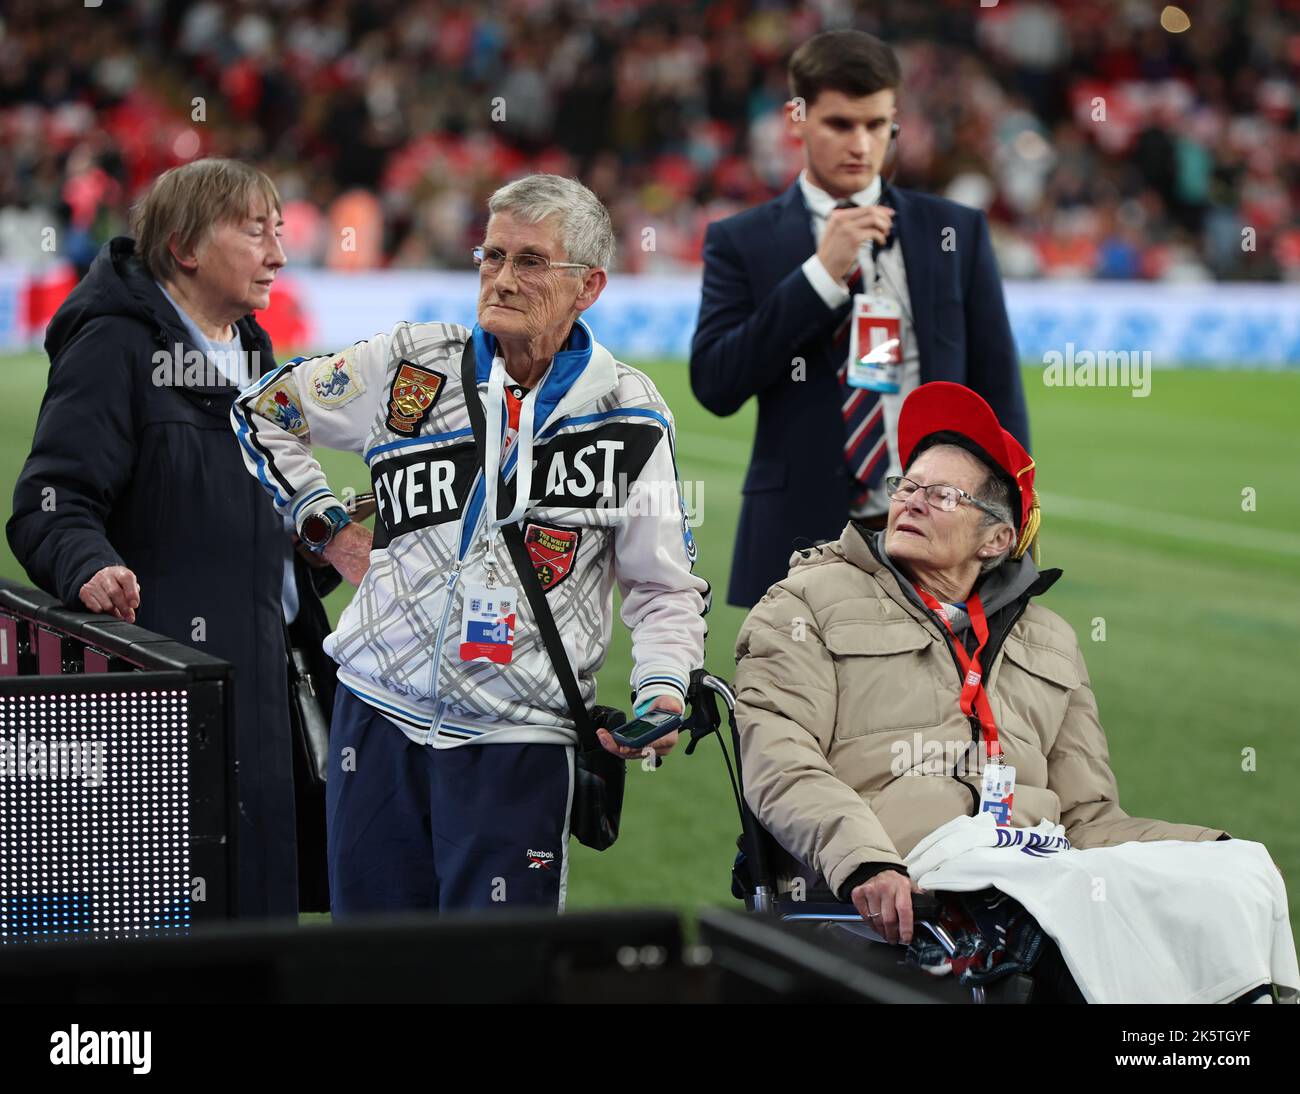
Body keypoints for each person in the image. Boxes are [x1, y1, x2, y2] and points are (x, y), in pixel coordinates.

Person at [230, 173, 709, 916]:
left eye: (530, 261)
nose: (502, 278)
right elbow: (266, 408)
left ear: (590, 286)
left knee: (495, 976)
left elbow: (662, 586)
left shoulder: (630, 414)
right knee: (370, 967)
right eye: (492, 256)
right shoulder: (409, 363)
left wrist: (662, 688)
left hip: (520, 741)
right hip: (376, 718)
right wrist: (324, 524)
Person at [733, 380, 1227, 953]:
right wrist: (865, 861)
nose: (911, 501)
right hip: (896, 875)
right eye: (907, 485)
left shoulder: (1052, 642)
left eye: (942, 495)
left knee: (1233, 874)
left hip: (1035, 872)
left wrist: (1204, 849)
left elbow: (1086, 817)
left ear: (997, 539)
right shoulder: (804, 603)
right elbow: (781, 759)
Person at [7, 157, 334, 918]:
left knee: (259, 931)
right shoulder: (114, 347)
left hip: (264, 688)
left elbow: (239, 513)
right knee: (175, 938)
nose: (279, 255)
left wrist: (311, 546)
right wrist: (87, 564)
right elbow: (49, 505)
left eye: (280, 233)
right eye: (256, 233)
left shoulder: (251, 349)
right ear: (186, 247)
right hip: (163, 701)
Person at [690, 30, 1030, 609]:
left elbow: (998, 389)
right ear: (796, 118)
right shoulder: (741, 240)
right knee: (804, 701)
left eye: (877, 125)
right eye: (841, 124)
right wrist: (820, 275)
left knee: (940, 701)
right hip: (800, 531)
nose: (862, 144)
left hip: (941, 531)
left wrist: (1012, 529)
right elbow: (717, 383)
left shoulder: (956, 231)